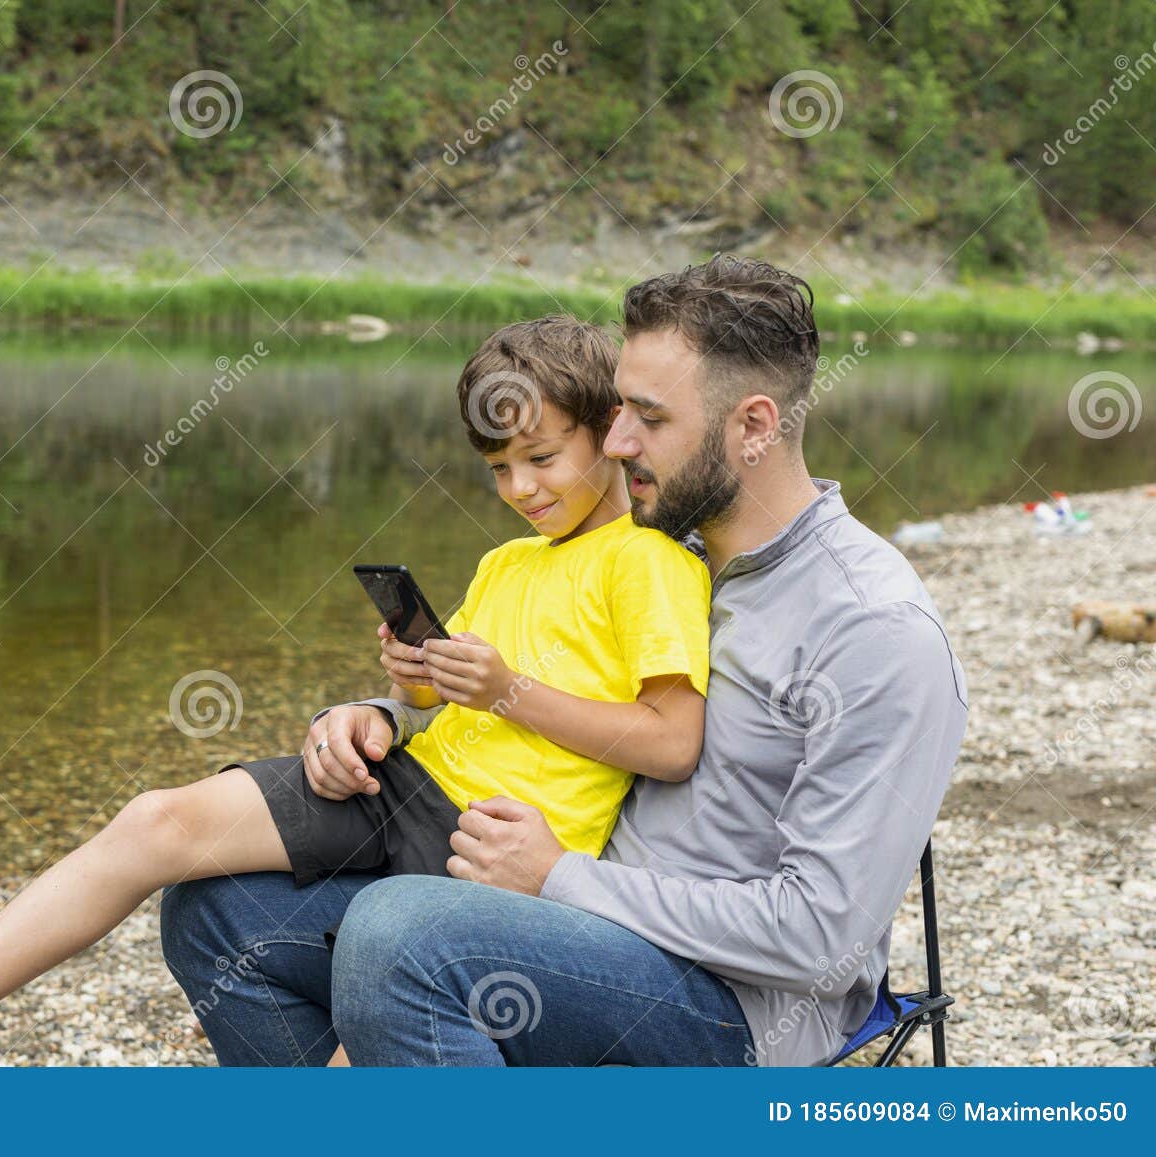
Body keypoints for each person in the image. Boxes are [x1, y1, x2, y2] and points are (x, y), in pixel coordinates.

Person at [0, 315, 712, 1067]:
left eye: (542, 458)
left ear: (610, 432)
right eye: (500, 467)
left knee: (361, 1056)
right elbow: (453, 702)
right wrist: (386, 701)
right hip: (407, 784)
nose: (522, 487)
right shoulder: (509, 561)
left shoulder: (648, 562)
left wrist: (503, 689)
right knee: (159, 823)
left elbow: (668, 740)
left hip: (489, 842)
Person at [162, 254, 969, 1067]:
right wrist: (384, 713)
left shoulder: (874, 631)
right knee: (216, 908)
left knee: (399, 935)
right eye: (619, 409)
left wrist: (559, 877)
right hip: (569, 920)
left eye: (647, 418)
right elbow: (524, 692)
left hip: (733, 1006)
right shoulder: (662, 551)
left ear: (754, 426)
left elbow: (817, 935)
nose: (616, 441)